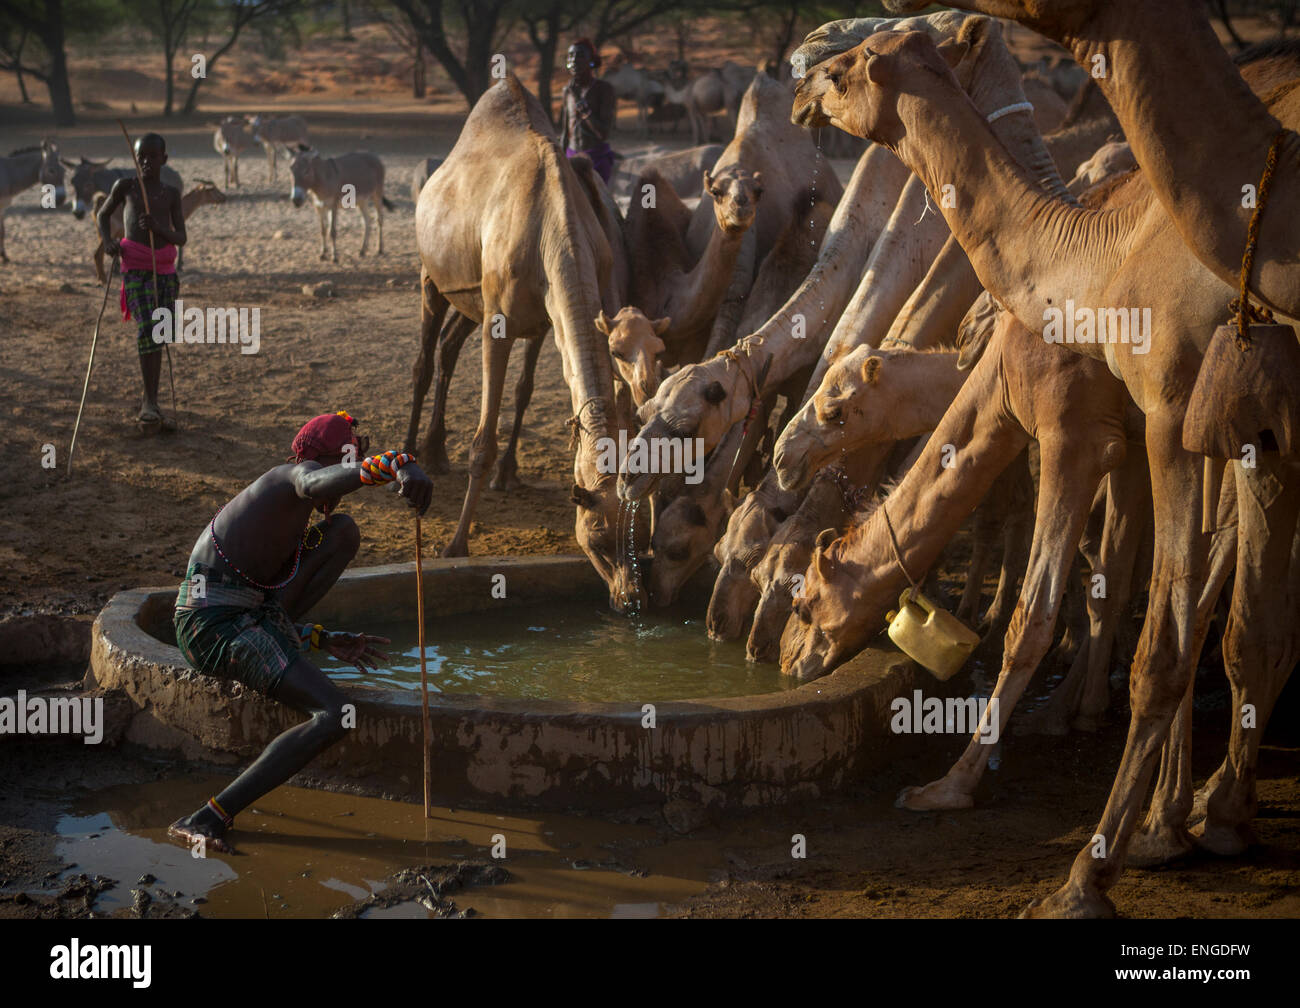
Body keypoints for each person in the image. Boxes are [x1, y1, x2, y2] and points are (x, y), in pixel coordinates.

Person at [167, 411, 434, 852]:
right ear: (325, 459)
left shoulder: (297, 521)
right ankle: (206, 817)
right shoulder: (293, 478)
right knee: (335, 713)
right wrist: (397, 462)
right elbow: (315, 483)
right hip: (212, 625)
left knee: (342, 532)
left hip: (246, 615)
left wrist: (322, 639)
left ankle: (212, 813)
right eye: (346, 461)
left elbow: (262, 602)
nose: (345, 473)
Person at [96, 133, 186, 430]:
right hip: (134, 269)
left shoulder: (171, 194)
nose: (146, 162)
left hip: (165, 271)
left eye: (152, 156)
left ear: (164, 159)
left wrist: (159, 228)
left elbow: (181, 237)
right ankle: (148, 401)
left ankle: (153, 399)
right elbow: (102, 214)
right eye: (141, 157)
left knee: (159, 332)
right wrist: (109, 241)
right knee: (147, 326)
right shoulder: (126, 187)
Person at [557, 38, 617, 183]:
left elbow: (603, 134)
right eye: (571, 56)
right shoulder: (567, 91)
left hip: (595, 158)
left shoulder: (603, 89)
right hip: (572, 156)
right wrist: (561, 159)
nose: (574, 60)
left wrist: (582, 106)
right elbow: (566, 130)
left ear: (591, 61)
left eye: (580, 56)